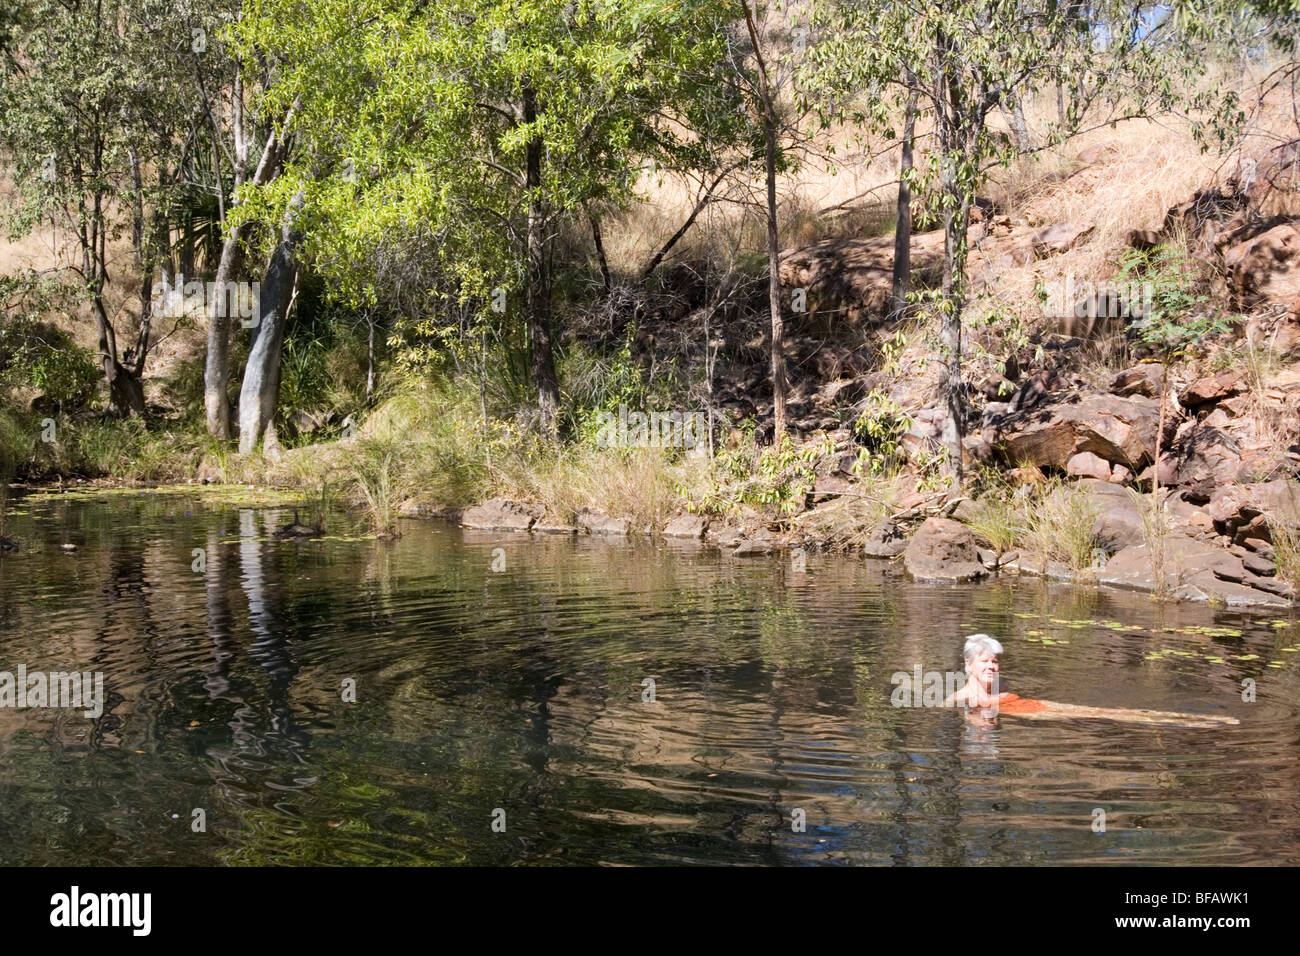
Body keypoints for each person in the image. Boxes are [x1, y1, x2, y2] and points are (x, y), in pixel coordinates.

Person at [945, 633, 1239, 727]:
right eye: (984, 661)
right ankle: (1199, 722)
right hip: (1037, 713)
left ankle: (1194, 719)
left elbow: (1000, 703)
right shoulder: (961, 698)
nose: (992, 666)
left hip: (1038, 706)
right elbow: (957, 711)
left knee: (1116, 713)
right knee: (1114, 716)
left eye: (995, 661)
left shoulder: (998, 687)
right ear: (969, 665)